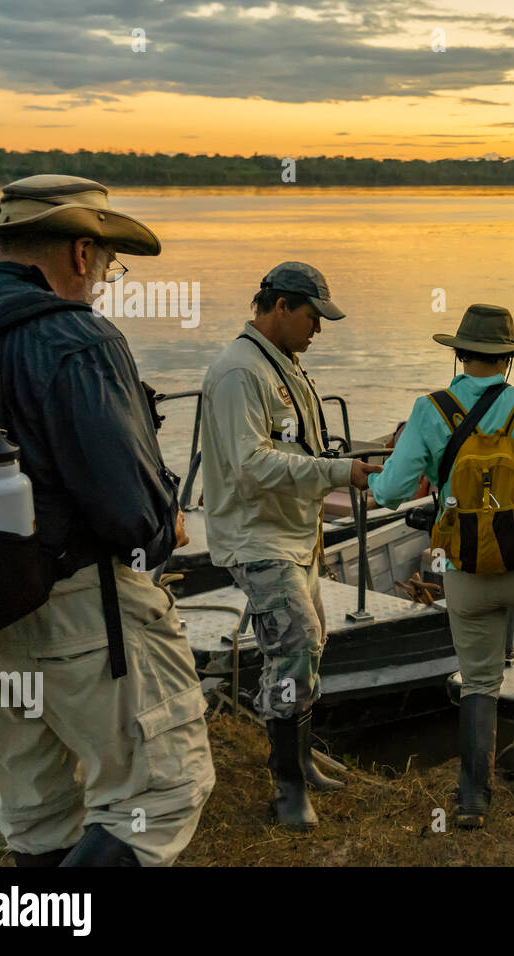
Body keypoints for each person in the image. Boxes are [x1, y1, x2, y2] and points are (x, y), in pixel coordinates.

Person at [0, 174, 214, 866]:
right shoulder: (76, 338)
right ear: (83, 252)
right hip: (76, 610)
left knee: (36, 811)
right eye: (110, 266)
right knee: (160, 794)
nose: (105, 282)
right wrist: (166, 519)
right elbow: (132, 512)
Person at [370, 304, 514, 830]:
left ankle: (473, 799)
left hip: (467, 570)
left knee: (479, 682)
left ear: (458, 354)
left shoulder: (430, 411)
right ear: (508, 361)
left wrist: (365, 477)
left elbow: (389, 492)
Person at [200, 262, 378, 829]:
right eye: (312, 317)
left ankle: (298, 755)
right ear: (281, 307)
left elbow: (299, 445)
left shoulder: (284, 366)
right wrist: (339, 473)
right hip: (258, 535)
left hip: (293, 532)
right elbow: (250, 465)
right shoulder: (238, 373)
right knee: (295, 643)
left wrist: (342, 463)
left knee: (310, 642)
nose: (318, 330)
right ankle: (287, 787)